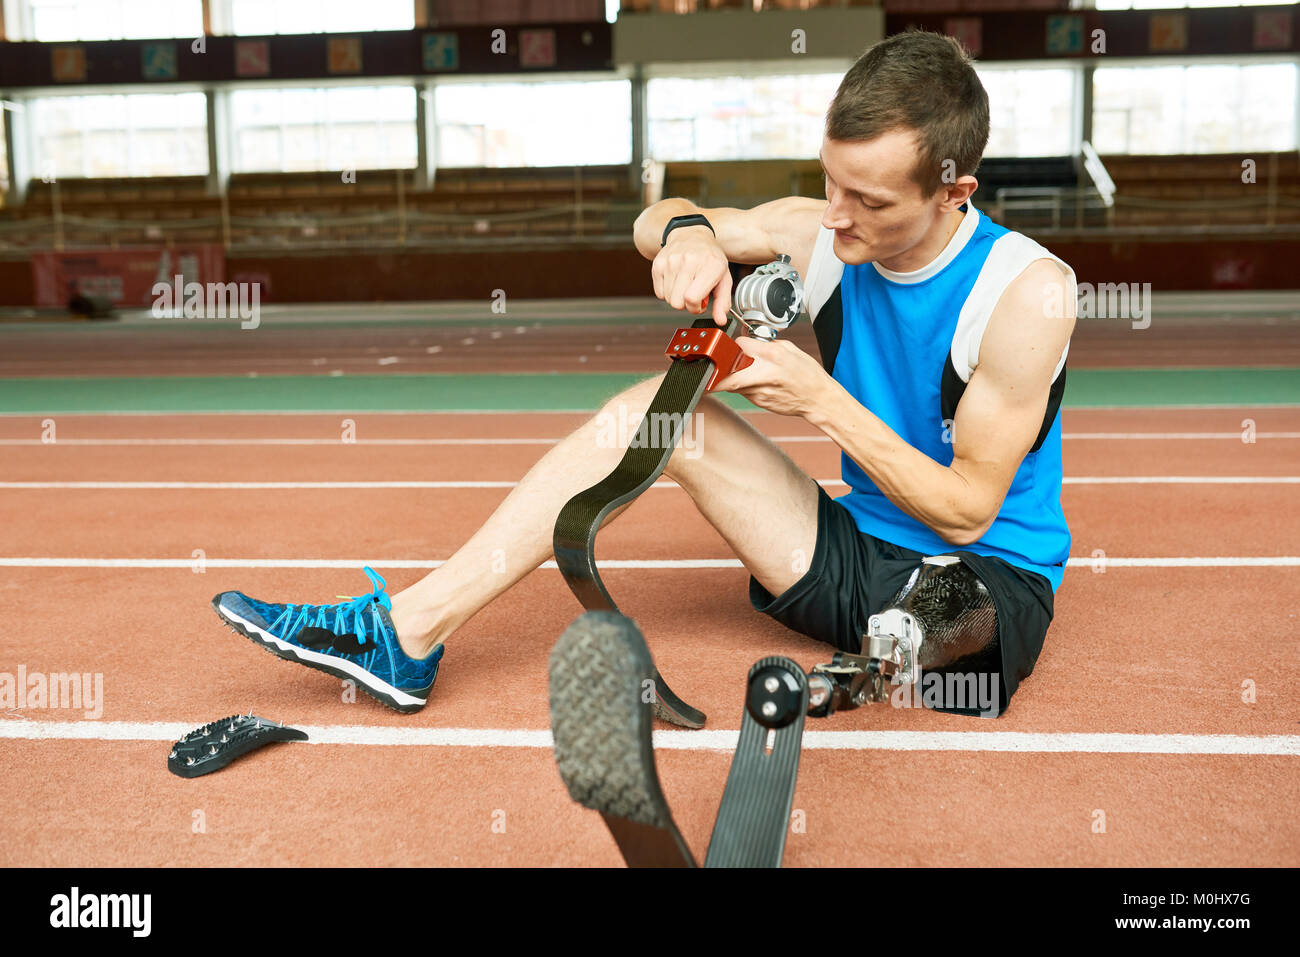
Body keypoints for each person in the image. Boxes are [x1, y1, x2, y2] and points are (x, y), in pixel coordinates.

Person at [212, 29, 1076, 718]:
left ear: (955, 191)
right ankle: (407, 632)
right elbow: (657, 217)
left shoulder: (1023, 293)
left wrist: (821, 400)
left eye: (871, 201)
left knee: (951, 610)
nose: (836, 214)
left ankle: (864, 671)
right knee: (667, 416)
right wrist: (689, 236)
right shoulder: (822, 231)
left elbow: (967, 512)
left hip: (984, 584)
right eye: (829, 182)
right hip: (858, 555)